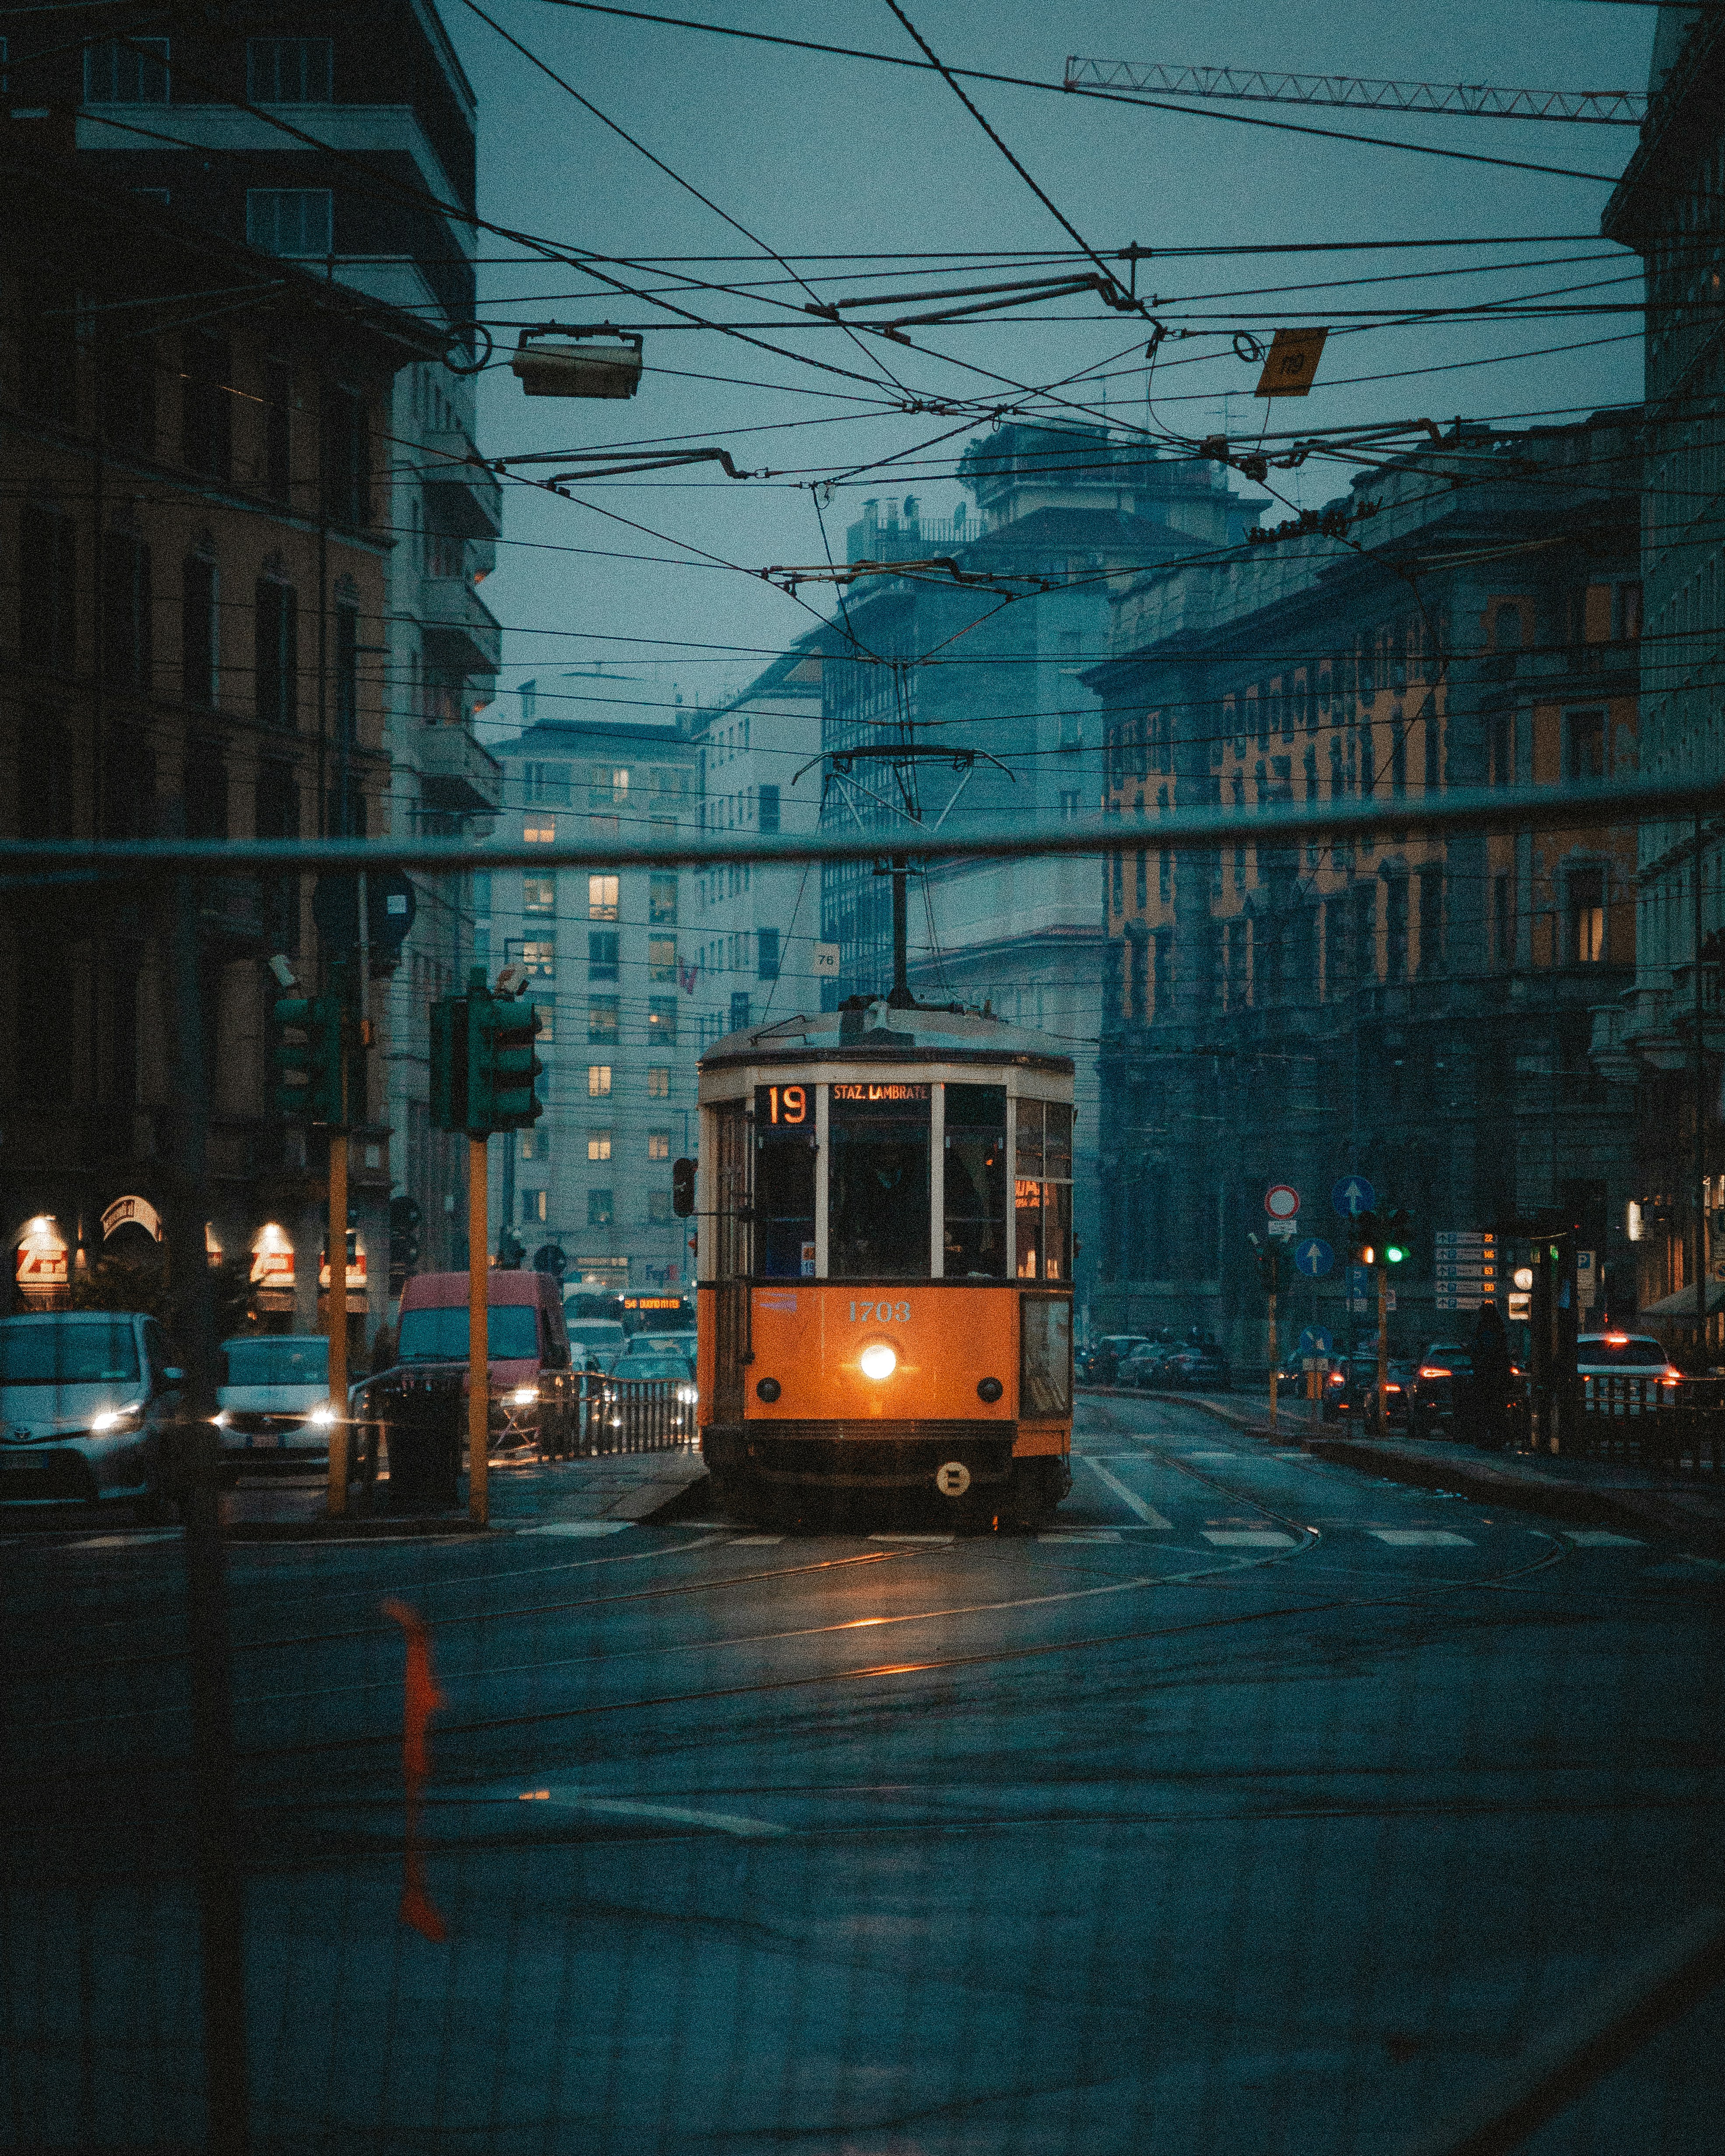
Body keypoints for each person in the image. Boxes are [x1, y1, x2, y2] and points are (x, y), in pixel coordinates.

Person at [1467, 1301, 1514, 1450]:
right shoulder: (1500, 1329)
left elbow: (1481, 1350)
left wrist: (1473, 1351)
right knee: (1497, 1409)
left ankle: (1486, 1438)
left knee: (1484, 1408)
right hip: (1498, 1377)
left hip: (1485, 1376)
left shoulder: (1484, 1330)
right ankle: (1497, 1437)